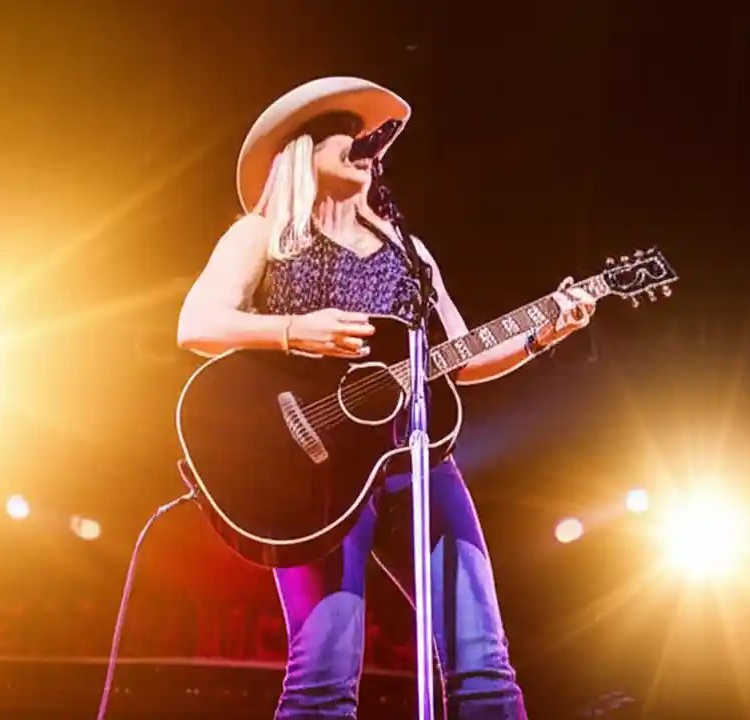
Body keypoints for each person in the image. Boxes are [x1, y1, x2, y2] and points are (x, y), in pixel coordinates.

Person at [176, 76, 596, 720]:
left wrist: (543, 332)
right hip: (309, 479)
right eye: (350, 131)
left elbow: (462, 357)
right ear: (302, 150)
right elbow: (197, 324)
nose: (370, 144)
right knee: (322, 676)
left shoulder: (410, 253)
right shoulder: (259, 237)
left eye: (374, 139)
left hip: (418, 462)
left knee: (484, 664)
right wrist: (292, 330)